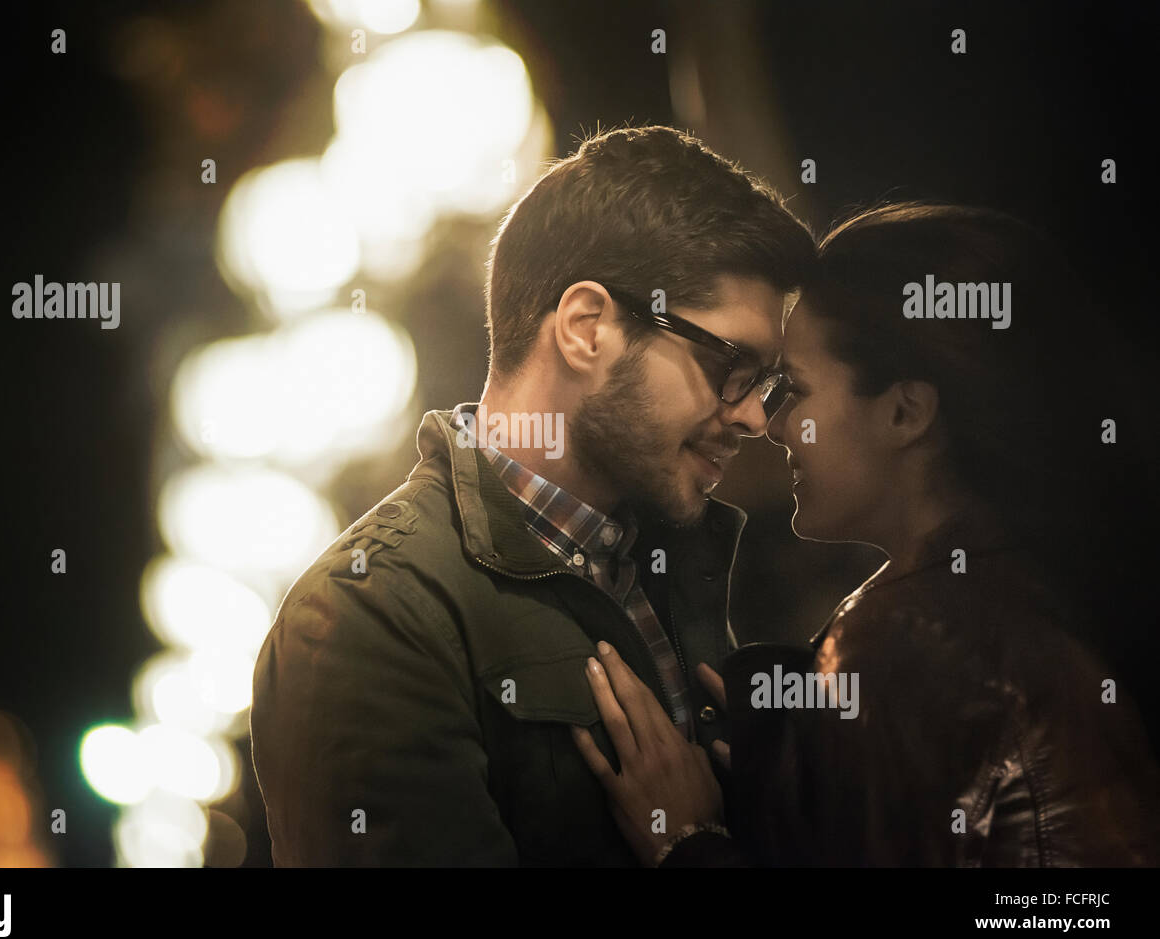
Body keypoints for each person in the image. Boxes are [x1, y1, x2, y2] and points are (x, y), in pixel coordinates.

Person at [249, 125, 815, 865]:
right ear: (587, 328)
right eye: (733, 366)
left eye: (766, 385)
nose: (751, 416)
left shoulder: (673, 554)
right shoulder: (370, 613)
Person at [573, 202, 1160, 867]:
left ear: (906, 412)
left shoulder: (903, 643)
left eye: (794, 389)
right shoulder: (1035, 584)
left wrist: (685, 841)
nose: (771, 424)